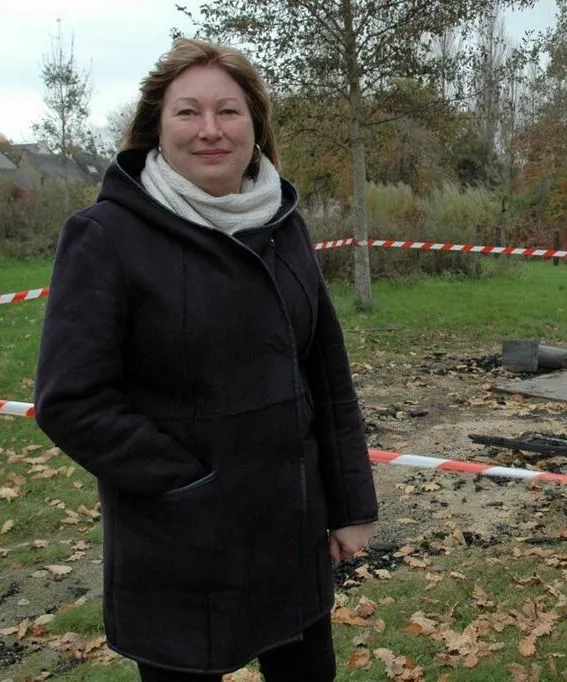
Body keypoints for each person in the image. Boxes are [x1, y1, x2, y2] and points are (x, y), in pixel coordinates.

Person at [33, 37, 378, 681]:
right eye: (188, 112)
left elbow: (325, 373)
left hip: (289, 537)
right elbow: (72, 401)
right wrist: (193, 486)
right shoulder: (106, 237)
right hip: (179, 547)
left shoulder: (284, 222)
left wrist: (351, 503)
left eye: (229, 111)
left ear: (256, 124)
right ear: (156, 130)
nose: (211, 130)